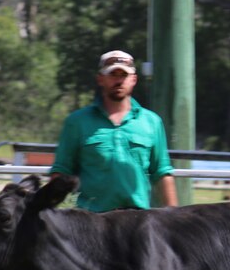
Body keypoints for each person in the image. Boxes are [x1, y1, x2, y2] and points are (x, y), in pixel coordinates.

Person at [50, 50, 178, 212]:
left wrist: (175, 218)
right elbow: (61, 172)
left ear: (133, 79)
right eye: (112, 75)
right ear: (100, 79)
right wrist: (46, 213)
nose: (118, 81)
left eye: (123, 75)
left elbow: (162, 172)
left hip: (138, 219)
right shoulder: (76, 122)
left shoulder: (152, 122)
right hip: (93, 220)